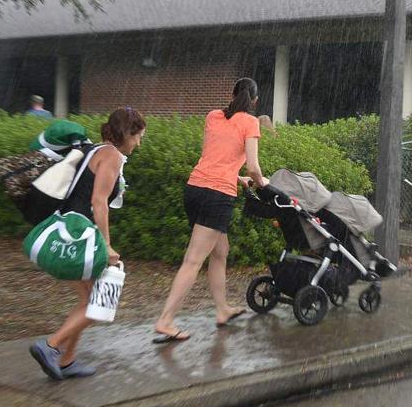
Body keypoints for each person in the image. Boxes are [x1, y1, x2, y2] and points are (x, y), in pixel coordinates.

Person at [29, 107, 145, 380]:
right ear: (128, 134)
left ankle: (67, 361)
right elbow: (98, 202)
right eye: (139, 136)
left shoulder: (96, 150)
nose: (139, 143)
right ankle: (51, 346)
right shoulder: (112, 156)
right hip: (81, 235)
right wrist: (106, 246)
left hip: (66, 227)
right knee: (98, 304)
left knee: (87, 301)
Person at [153, 78, 268, 343]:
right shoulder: (251, 122)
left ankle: (222, 309)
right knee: (193, 260)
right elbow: (253, 167)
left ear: (232, 94)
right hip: (217, 196)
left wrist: (235, 177)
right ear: (255, 101)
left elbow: (214, 156)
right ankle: (165, 320)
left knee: (220, 252)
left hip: (195, 188)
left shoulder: (214, 116)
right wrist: (261, 183)